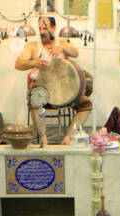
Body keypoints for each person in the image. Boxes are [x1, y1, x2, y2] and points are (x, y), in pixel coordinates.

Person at [13, 14, 92, 146]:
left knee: (86, 104)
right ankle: (43, 138)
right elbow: (18, 64)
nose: (42, 31)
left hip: (64, 92)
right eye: (40, 28)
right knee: (35, 100)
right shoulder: (32, 46)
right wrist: (34, 63)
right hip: (42, 91)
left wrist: (62, 48)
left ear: (54, 28)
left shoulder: (62, 42)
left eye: (45, 28)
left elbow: (75, 53)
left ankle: (68, 138)